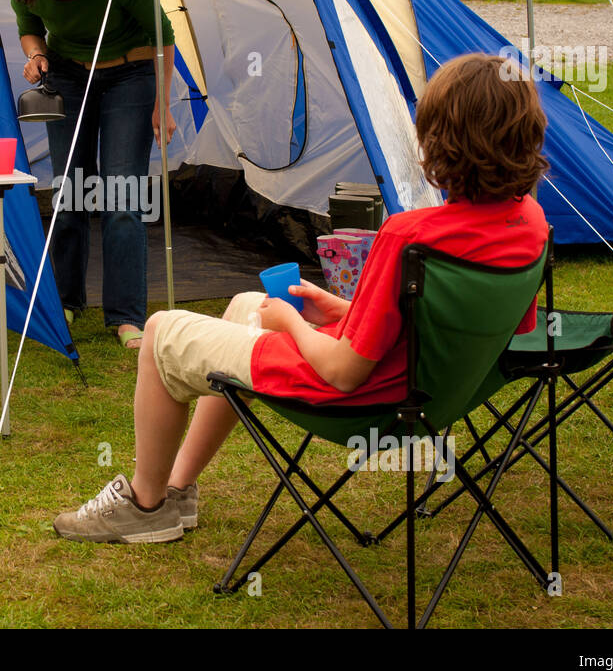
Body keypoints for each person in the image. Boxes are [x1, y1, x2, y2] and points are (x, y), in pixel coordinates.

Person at [52, 52, 550, 543]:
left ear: (440, 142)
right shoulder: (530, 223)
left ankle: (144, 503)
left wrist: (293, 324)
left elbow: (342, 371)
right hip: (427, 389)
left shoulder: (409, 236)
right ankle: (176, 490)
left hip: (365, 401)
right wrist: (342, 311)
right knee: (246, 305)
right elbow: (493, 325)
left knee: (161, 332)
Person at [9, 0, 177, 349]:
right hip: (68, 75)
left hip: (131, 74)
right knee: (70, 190)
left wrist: (163, 103)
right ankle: (66, 300)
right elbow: (30, 30)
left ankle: (125, 317)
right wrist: (36, 56)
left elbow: (164, 33)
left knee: (122, 195)